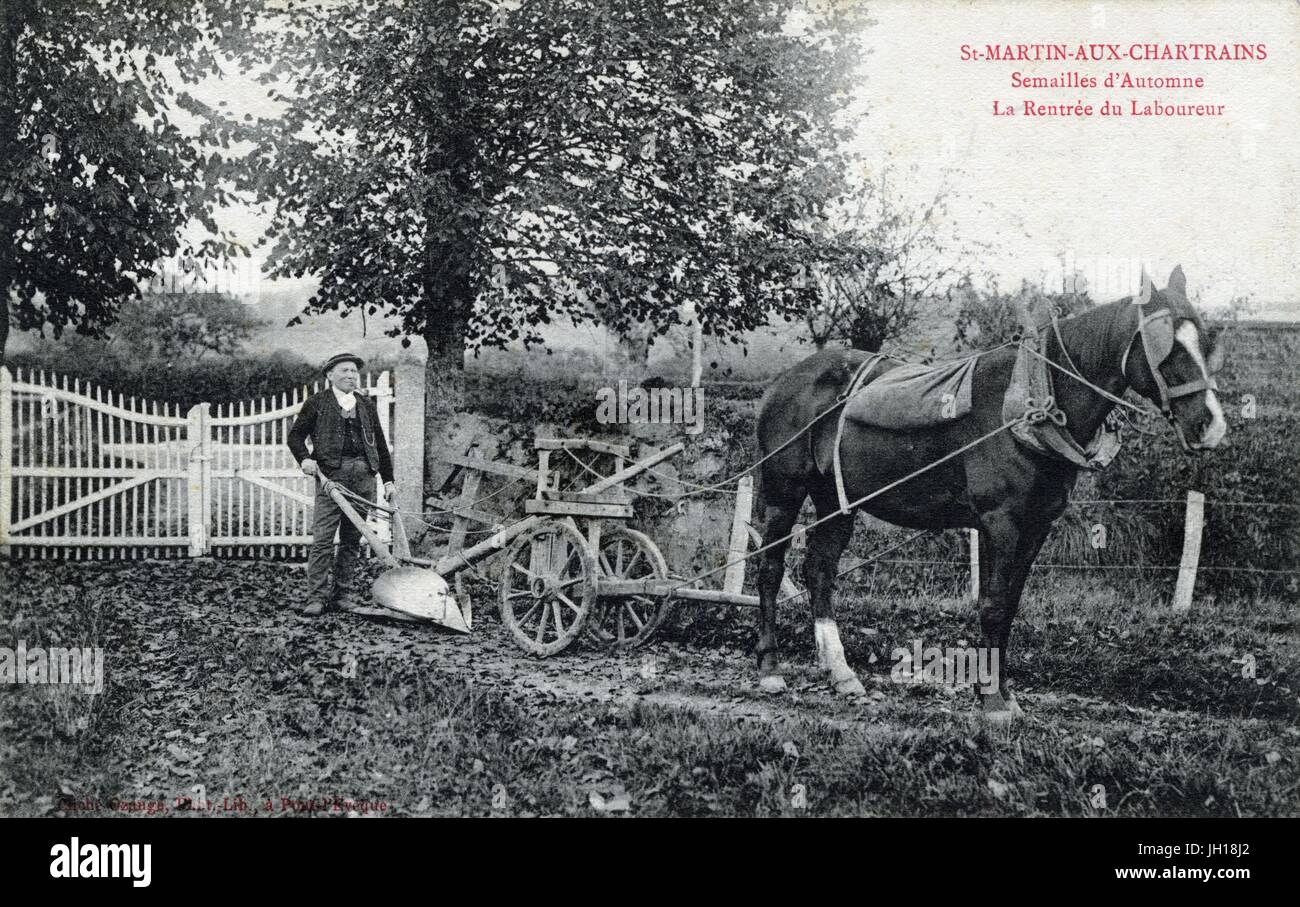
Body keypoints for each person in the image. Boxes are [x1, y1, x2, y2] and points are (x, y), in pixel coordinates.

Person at [287, 353, 396, 616]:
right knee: (323, 539)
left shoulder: (365, 404)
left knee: (351, 540)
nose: (350, 376)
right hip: (331, 479)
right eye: (344, 371)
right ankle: (316, 598)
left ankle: (342, 596)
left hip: (363, 479)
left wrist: (388, 480)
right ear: (330, 375)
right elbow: (295, 437)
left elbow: (380, 445)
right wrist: (305, 460)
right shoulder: (317, 403)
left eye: (354, 372)